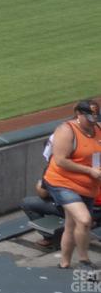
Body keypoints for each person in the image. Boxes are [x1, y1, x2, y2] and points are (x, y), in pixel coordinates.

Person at [41, 99, 101, 270]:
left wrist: (96, 170)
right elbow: (60, 160)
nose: (93, 121)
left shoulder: (98, 130)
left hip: (88, 187)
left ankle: (64, 263)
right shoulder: (66, 130)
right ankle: (84, 261)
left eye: (95, 117)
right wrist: (89, 171)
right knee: (84, 220)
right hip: (62, 182)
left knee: (72, 225)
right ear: (79, 114)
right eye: (89, 117)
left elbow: (97, 156)